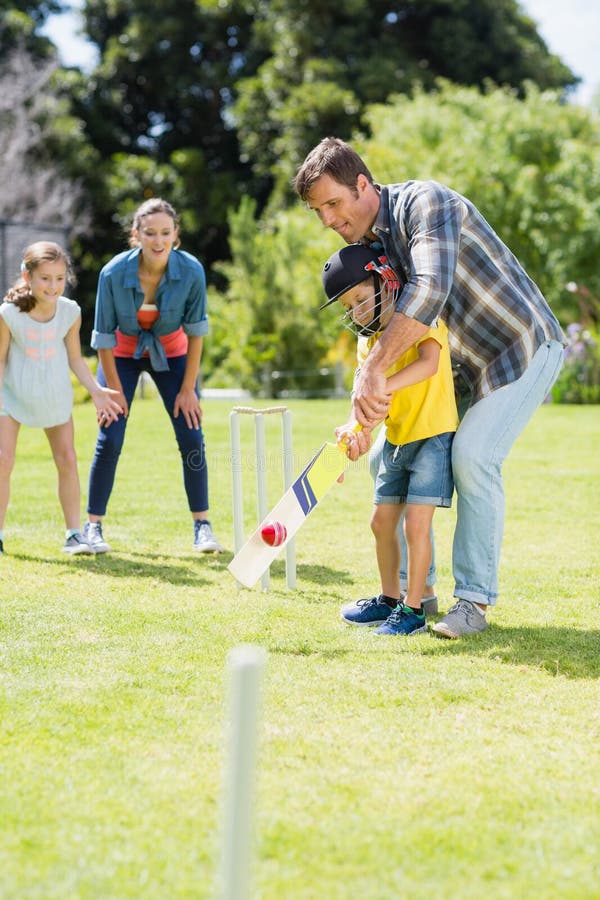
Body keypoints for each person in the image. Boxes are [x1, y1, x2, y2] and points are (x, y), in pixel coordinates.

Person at [295, 137, 565, 638]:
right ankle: (410, 597)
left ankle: (473, 604)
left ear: (362, 185)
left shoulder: (427, 203)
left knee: (473, 457)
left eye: (333, 203)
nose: (329, 220)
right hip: (453, 373)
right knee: (382, 459)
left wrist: (373, 371)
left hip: (519, 348)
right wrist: (361, 420)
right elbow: (385, 339)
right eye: (318, 212)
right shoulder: (372, 250)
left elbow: (429, 290)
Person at [324, 244, 458, 635]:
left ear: (385, 282)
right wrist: (353, 429)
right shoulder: (368, 344)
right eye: (348, 308)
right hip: (396, 441)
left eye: (361, 299)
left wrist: (382, 382)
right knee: (381, 523)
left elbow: (429, 364)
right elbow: (363, 399)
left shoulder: (421, 318)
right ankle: (388, 599)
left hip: (432, 436)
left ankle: (414, 610)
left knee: (416, 527)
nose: (357, 312)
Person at [85, 197, 223, 554]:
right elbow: (102, 335)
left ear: (176, 234)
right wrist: (112, 390)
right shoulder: (113, 273)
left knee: (192, 437)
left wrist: (188, 389)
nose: (158, 241)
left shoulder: (191, 271)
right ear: (136, 235)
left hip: (173, 352)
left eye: (165, 233)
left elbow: (196, 333)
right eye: (150, 233)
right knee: (110, 437)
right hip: (121, 355)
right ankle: (92, 527)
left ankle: (202, 526)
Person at [0, 241, 122, 556]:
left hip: (54, 396)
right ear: (27, 276)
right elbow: (0, 360)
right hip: (11, 396)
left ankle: (74, 535)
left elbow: (75, 359)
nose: (53, 286)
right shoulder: (8, 313)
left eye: (59, 278)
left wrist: (96, 390)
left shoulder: (70, 312)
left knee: (67, 460)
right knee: (3, 461)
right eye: (45, 278)